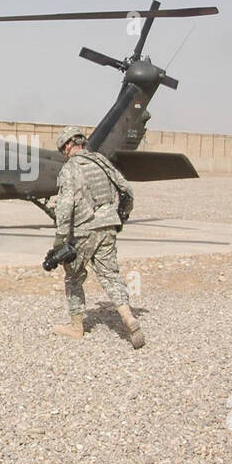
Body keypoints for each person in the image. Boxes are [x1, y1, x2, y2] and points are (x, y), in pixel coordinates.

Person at [48, 126, 143, 348]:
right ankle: (129, 317)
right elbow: (126, 190)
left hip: (84, 229)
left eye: (63, 148)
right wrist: (121, 215)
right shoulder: (101, 161)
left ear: (69, 145)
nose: (64, 152)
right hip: (108, 225)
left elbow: (65, 206)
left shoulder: (70, 168)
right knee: (110, 275)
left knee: (73, 276)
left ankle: (76, 327)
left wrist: (59, 239)